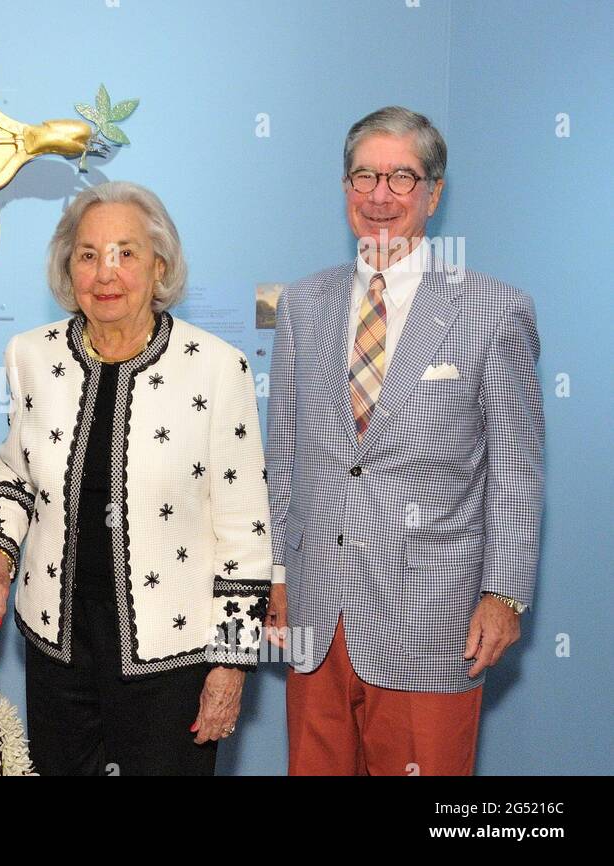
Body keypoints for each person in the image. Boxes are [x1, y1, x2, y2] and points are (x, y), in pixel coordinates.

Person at [264, 106, 544, 775]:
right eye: (364, 176)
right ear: (344, 188)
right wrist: (276, 575)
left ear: (434, 193)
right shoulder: (302, 303)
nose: (380, 196)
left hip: (433, 615)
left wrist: (504, 595)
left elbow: (516, 471)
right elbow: (284, 454)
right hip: (315, 615)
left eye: (401, 178)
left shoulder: (493, 309)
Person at [0, 181, 271, 775]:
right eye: (88, 254)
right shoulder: (30, 356)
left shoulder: (215, 368)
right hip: (58, 650)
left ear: (160, 267)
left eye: (126, 253)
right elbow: (14, 472)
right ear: (67, 268)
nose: (106, 273)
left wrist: (231, 663)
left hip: (174, 657)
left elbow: (246, 526)